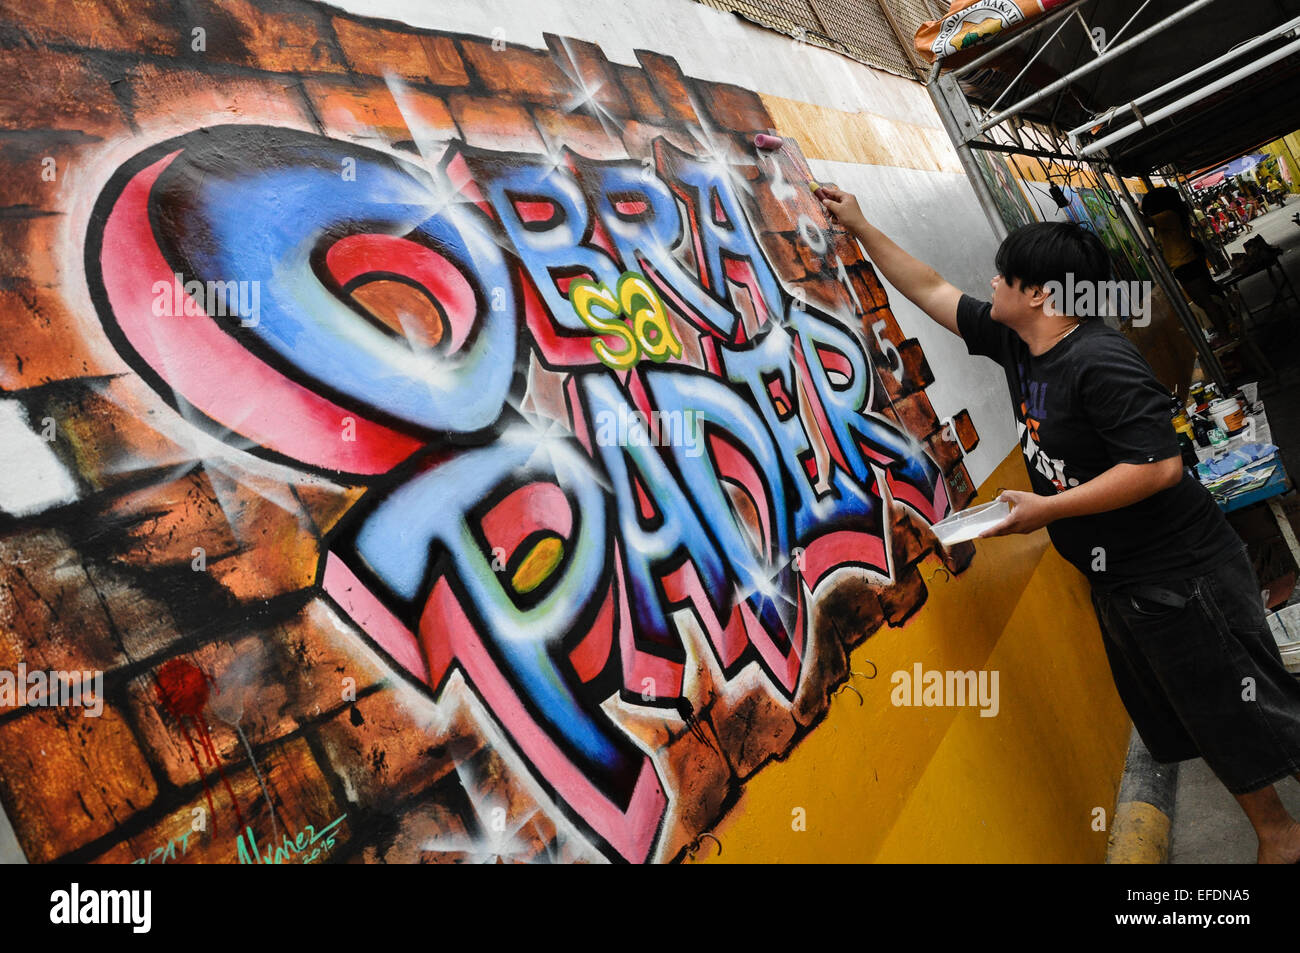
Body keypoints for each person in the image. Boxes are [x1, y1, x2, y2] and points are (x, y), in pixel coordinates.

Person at [816, 185, 1300, 863]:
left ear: (1042, 295)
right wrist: (860, 223)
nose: (990, 284)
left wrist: (1046, 510)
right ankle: (1280, 833)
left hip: (1181, 576)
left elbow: (1157, 467)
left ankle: (1280, 836)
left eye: (1004, 277)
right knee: (1208, 713)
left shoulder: (1098, 363)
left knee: (1258, 709)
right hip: (1129, 582)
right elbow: (930, 289)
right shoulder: (1020, 342)